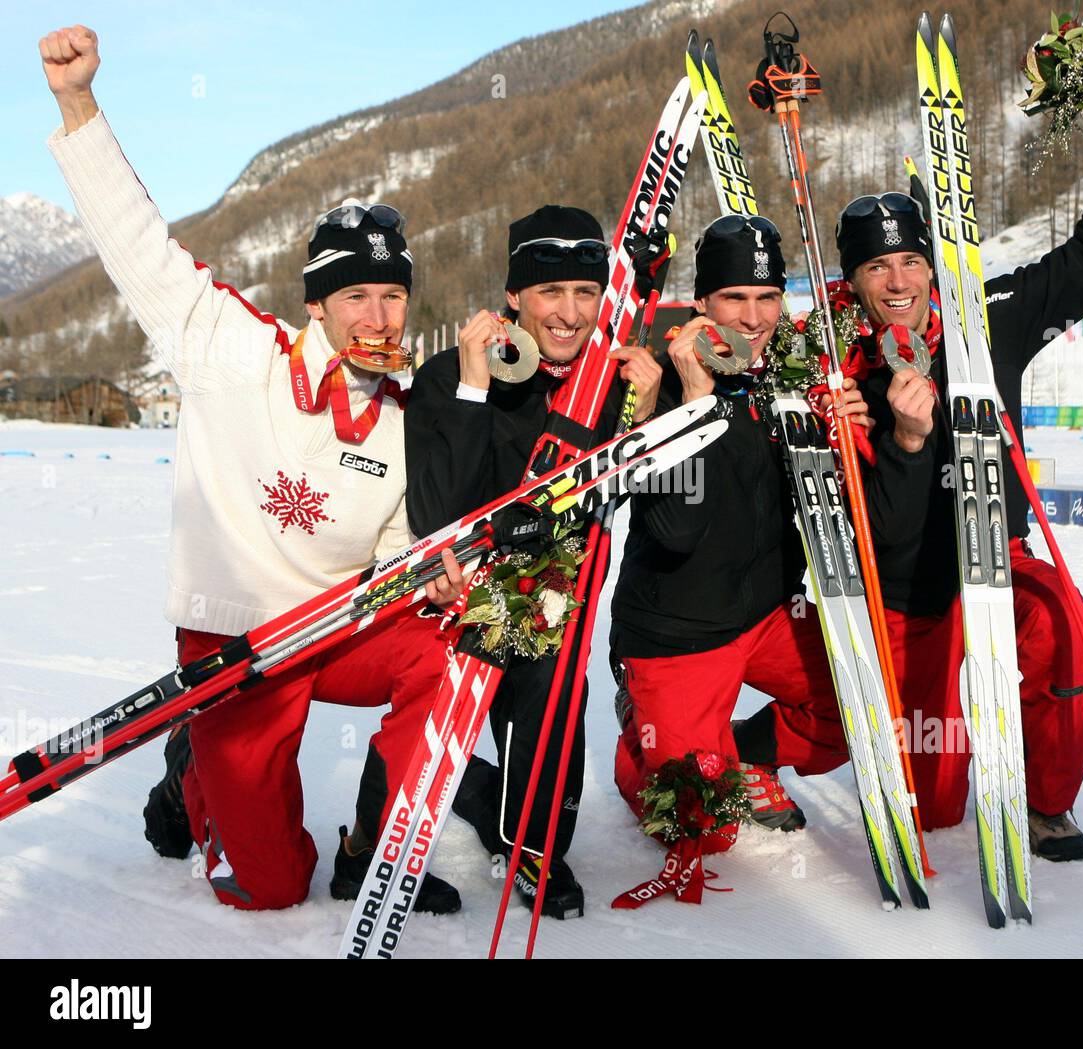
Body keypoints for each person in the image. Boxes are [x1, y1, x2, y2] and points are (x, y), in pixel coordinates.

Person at [41, 24, 462, 911]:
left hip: (335, 625)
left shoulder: (401, 418)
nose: (377, 312)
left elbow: (396, 539)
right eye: (357, 294)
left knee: (452, 647)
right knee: (271, 887)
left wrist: (429, 567)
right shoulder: (231, 348)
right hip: (233, 640)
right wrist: (78, 102)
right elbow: (137, 245)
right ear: (318, 303)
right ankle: (195, 765)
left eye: (393, 294)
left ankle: (377, 837)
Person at [830, 58, 1083, 861]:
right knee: (936, 806)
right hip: (914, 591)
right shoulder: (839, 369)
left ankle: (1046, 803)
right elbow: (873, 524)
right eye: (878, 267)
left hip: (1000, 559)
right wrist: (905, 441)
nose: (899, 279)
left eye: (911, 260)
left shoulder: (992, 316)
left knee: (1066, 634)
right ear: (855, 280)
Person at [403, 205, 663, 918]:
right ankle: (397, 809)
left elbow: (653, 514)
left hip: (552, 610)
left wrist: (647, 419)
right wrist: (474, 387)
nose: (570, 312)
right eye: (551, 292)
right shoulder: (446, 377)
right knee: (420, 738)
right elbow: (435, 515)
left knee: (552, 749)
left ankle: (521, 835)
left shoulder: (615, 386)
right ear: (514, 295)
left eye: (586, 292)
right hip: (451, 607)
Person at [610, 215, 866, 849]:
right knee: (700, 829)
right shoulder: (662, 388)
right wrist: (695, 397)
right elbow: (672, 531)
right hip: (679, 628)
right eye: (734, 298)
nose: (753, 317)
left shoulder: (789, 380)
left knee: (864, 702)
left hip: (767, 615)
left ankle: (738, 753)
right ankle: (646, 737)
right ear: (701, 304)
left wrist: (852, 438)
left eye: (767, 298)